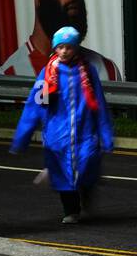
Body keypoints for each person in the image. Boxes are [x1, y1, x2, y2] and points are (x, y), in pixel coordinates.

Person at [9, 26, 114, 224]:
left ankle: (87, 194)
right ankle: (71, 211)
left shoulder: (88, 72)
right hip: (58, 137)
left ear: (76, 48)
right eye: (61, 47)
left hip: (85, 134)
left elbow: (98, 103)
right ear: (55, 48)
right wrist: (21, 138)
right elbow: (35, 107)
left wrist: (106, 135)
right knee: (63, 175)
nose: (64, 51)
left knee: (87, 167)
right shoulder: (47, 74)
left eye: (69, 47)